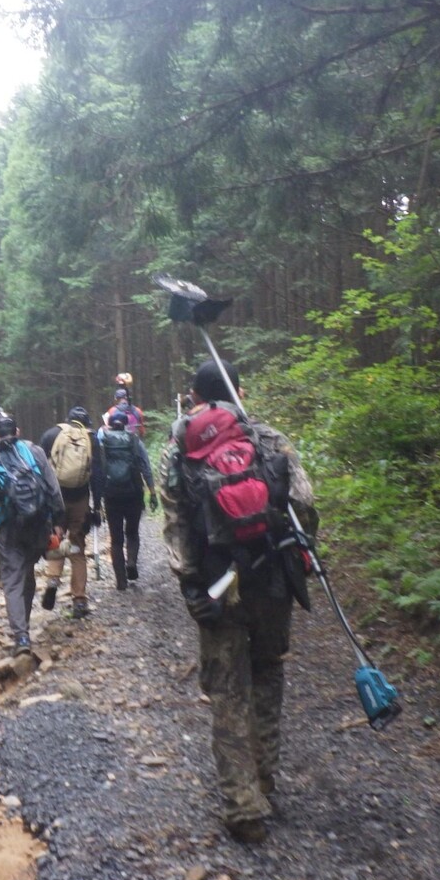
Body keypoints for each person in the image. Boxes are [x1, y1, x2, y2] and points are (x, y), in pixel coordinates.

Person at [158, 359, 317, 844]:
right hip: (271, 582)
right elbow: (306, 506)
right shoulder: (269, 439)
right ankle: (264, 780)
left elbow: (174, 519)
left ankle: (242, 806)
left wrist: (188, 584)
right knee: (268, 674)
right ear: (239, 390)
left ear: (193, 397)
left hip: (217, 587)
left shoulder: (180, 449)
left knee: (227, 691)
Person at [0, 411, 65, 655]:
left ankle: (22, 636)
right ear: (17, 430)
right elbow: (53, 489)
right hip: (38, 524)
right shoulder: (34, 451)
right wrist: (59, 521)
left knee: (13, 580)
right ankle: (23, 627)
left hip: (9, 527)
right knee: (27, 572)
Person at [39, 405, 105, 619]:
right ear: (86, 423)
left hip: (55, 498)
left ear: (67, 420)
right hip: (80, 498)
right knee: (77, 546)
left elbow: (38, 468)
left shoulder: (51, 435)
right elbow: (98, 474)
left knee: (56, 540)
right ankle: (79, 599)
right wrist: (97, 505)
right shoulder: (91, 439)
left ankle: (52, 580)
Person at [99, 408, 157, 591]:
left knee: (116, 539)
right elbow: (145, 467)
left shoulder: (104, 442)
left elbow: (99, 469)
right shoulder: (134, 440)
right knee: (132, 532)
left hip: (111, 494)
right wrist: (152, 492)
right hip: (133, 492)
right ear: (126, 423)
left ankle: (121, 581)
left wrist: (99, 495)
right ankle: (131, 562)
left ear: (110, 424)